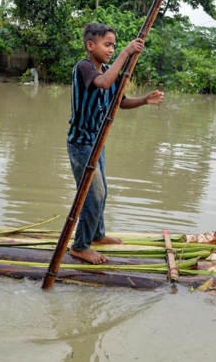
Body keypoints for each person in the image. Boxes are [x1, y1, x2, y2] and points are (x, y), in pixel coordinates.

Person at [66, 23, 164, 264]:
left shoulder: (109, 70)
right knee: (93, 193)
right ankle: (80, 246)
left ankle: (97, 235)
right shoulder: (84, 67)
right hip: (81, 143)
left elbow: (120, 101)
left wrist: (144, 100)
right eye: (107, 45)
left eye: (114, 46)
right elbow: (103, 83)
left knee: (102, 191)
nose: (111, 50)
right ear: (91, 45)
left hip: (97, 142)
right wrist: (126, 52)